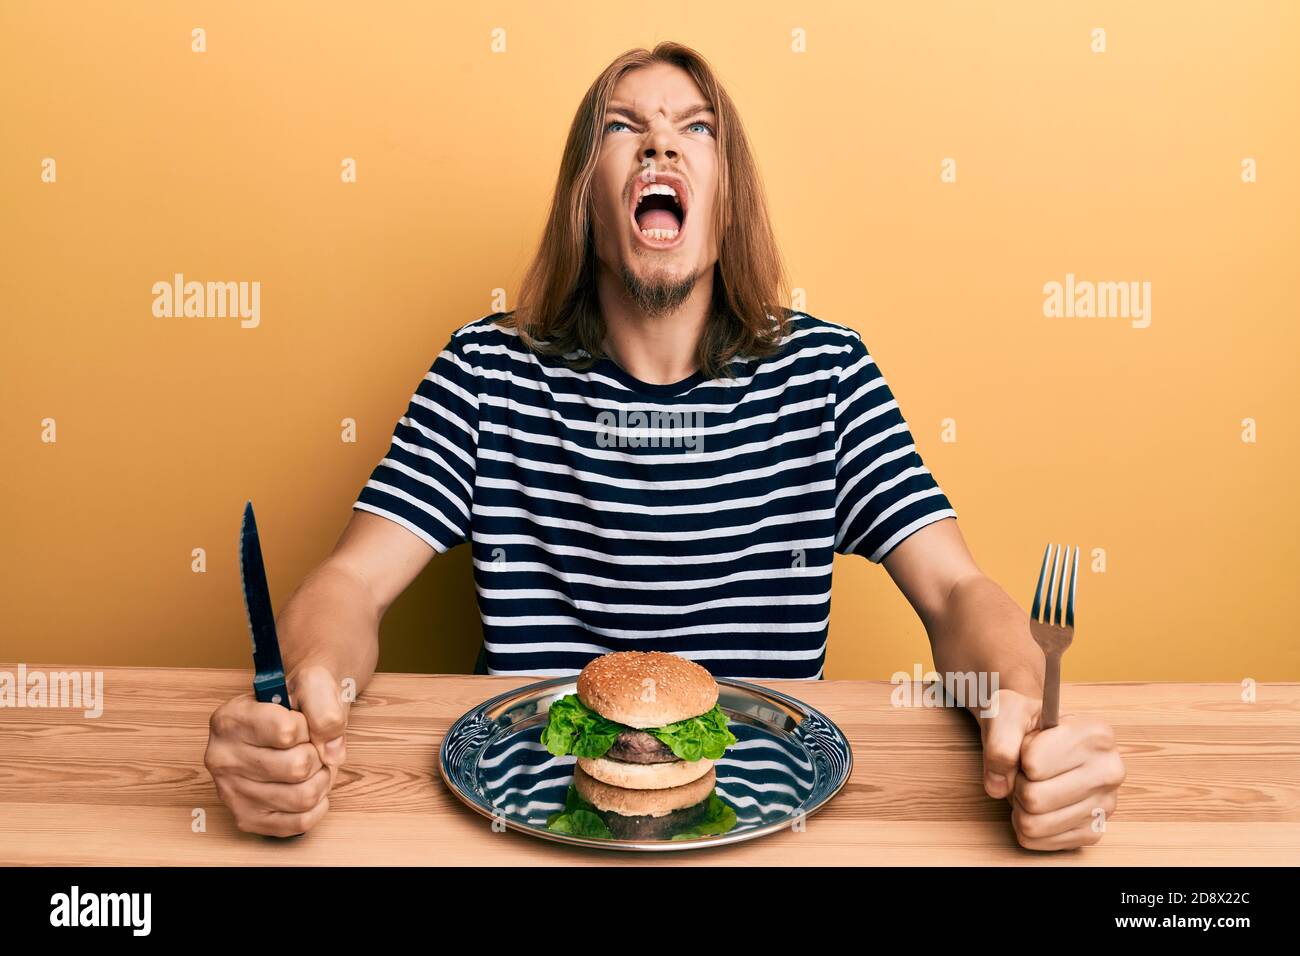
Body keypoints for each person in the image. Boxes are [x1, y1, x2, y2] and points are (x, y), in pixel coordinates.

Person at [205, 42, 1124, 848]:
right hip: (526, 821)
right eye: (622, 126)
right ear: (586, 203)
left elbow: (958, 589)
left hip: (773, 824)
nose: (660, 142)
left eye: (697, 128)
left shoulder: (826, 372)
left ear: (727, 203)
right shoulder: (486, 371)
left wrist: (1022, 700)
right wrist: (305, 695)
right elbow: (351, 583)